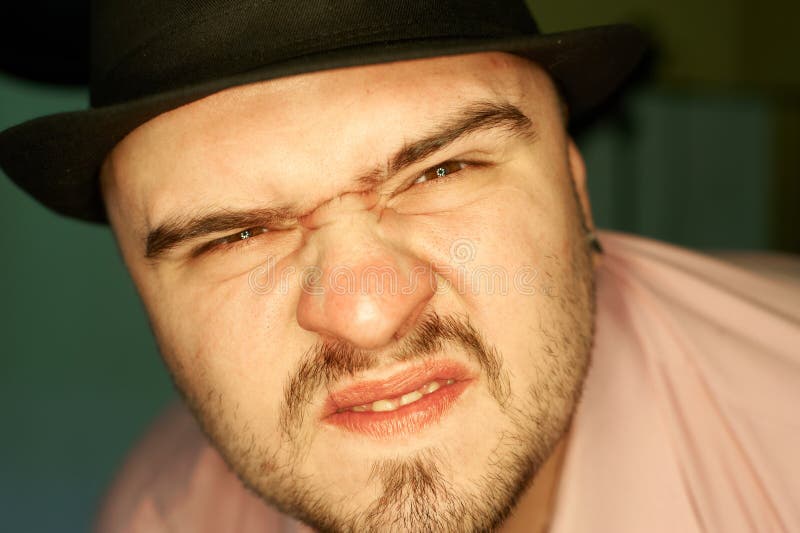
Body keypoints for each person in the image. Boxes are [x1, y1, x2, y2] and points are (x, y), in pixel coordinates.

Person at [1, 1, 798, 532]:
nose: (367, 315)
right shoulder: (159, 514)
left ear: (576, 186)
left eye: (440, 172)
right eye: (234, 236)